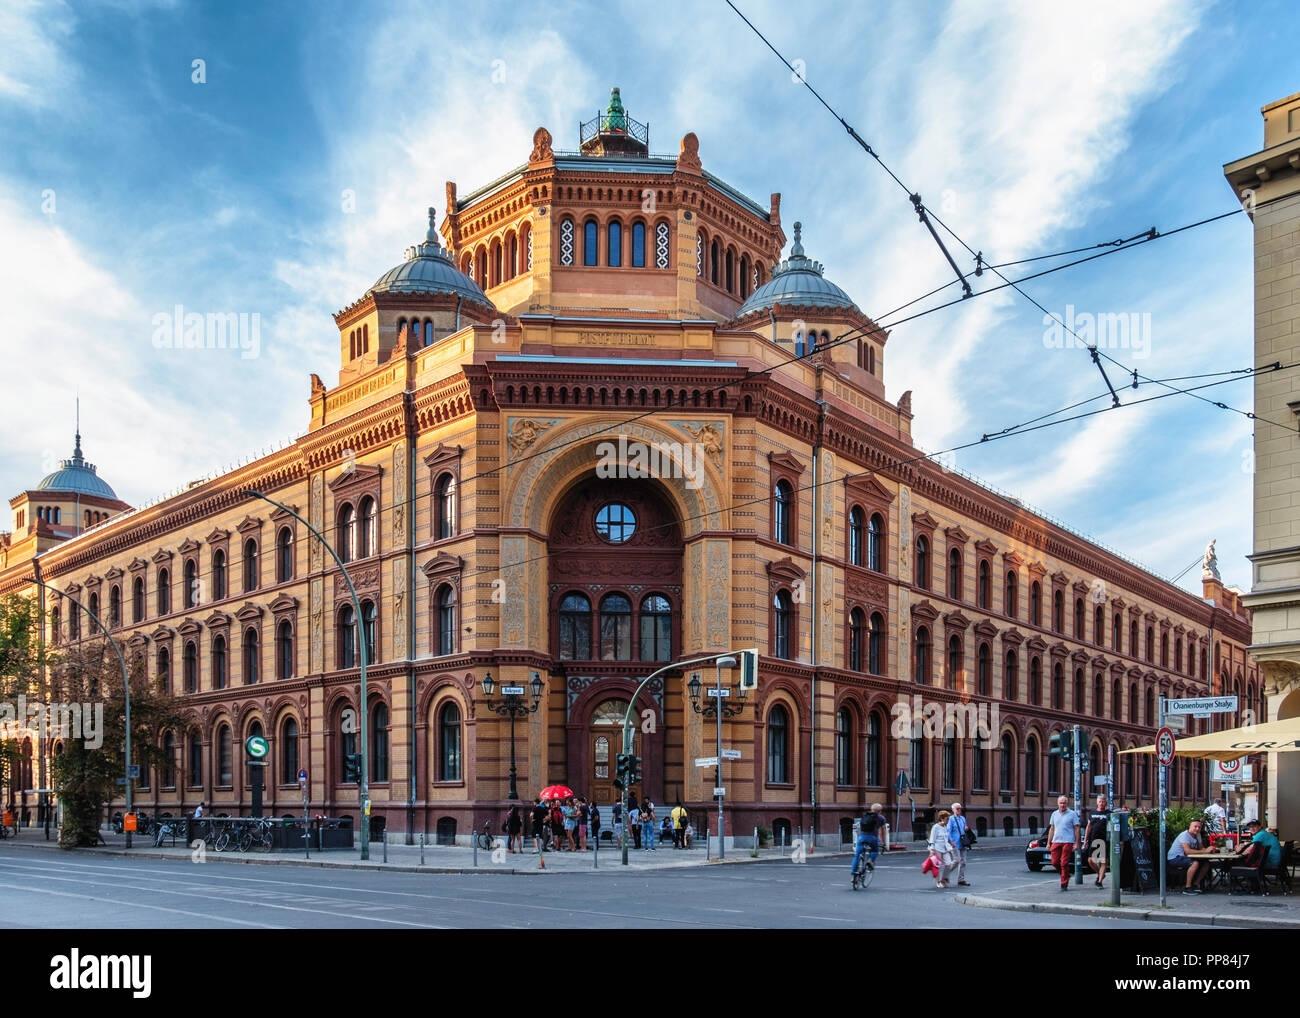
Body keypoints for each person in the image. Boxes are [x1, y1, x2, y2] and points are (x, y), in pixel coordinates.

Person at [1168, 818, 1214, 893]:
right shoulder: (1184, 835)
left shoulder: (1198, 835)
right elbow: (1188, 851)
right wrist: (1205, 851)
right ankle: (1187, 888)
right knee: (1195, 863)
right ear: (1190, 827)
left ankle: (1195, 885)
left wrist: (1209, 850)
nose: (1197, 829)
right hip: (1175, 858)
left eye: (1199, 827)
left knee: (1206, 864)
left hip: (1186, 857)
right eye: (1195, 826)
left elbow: (1201, 848)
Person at [1046, 795, 1080, 891]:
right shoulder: (1054, 814)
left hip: (1068, 841)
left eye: (1064, 803)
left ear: (1067, 803)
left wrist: (1076, 843)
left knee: (1064, 863)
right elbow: (1052, 828)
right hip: (1056, 840)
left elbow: (1077, 829)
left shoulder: (1072, 814)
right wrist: (1048, 843)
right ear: (1058, 804)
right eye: (1061, 803)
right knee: (1054, 862)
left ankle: (1064, 884)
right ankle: (1066, 875)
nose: (1062, 805)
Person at [851, 802, 885, 883]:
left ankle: (853, 875)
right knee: (875, 851)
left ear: (871, 809)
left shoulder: (865, 815)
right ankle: (870, 861)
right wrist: (883, 842)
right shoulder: (881, 818)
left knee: (857, 855)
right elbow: (883, 830)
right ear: (880, 811)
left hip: (861, 837)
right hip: (873, 838)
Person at [1083, 794, 1111, 887]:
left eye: (1103, 801)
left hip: (1104, 841)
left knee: (1103, 861)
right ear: (1097, 802)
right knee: (1091, 860)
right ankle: (1100, 874)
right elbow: (1088, 826)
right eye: (1100, 801)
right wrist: (1085, 839)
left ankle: (1099, 882)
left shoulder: (1109, 813)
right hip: (1094, 840)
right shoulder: (1092, 813)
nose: (1101, 803)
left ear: (1106, 803)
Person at [928, 809, 956, 888]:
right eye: (947, 819)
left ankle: (944, 878)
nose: (948, 820)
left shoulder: (945, 827)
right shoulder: (936, 827)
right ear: (942, 819)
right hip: (937, 848)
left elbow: (946, 838)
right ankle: (939, 882)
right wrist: (931, 850)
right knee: (938, 866)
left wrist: (951, 843)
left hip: (945, 848)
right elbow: (932, 839)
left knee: (948, 864)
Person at [946, 801, 971, 887]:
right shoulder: (951, 819)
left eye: (960, 808)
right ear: (953, 810)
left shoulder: (963, 818)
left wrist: (966, 828)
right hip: (954, 843)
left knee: (963, 861)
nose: (959, 810)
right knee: (956, 860)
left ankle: (961, 880)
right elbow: (948, 831)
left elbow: (964, 829)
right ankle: (944, 874)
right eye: (957, 809)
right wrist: (950, 841)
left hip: (963, 842)